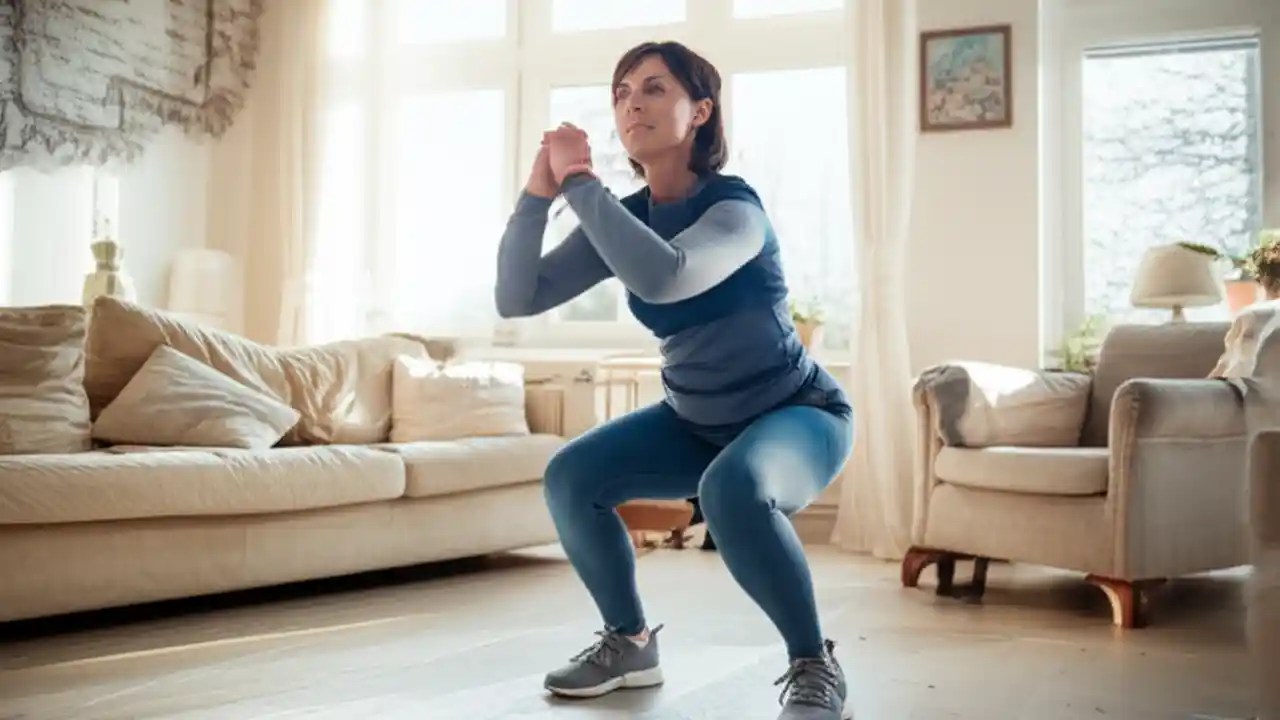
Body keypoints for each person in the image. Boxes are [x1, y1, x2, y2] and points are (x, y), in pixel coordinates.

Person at [494, 40, 856, 720]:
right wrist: (538, 193)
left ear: (701, 112)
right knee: (571, 477)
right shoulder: (622, 215)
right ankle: (629, 643)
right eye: (622, 91)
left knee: (733, 486)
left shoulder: (735, 209)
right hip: (695, 420)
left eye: (655, 88)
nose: (633, 101)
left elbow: (667, 274)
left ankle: (814, 663)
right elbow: (518, 297)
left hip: (797, 412)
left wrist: (580, 185)